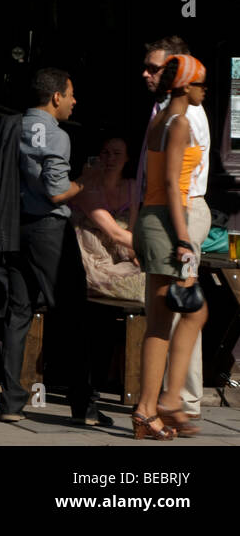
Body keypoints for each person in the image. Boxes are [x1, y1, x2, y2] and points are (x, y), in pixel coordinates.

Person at [0, 68, 108, 426]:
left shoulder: (12, 126)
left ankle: (12, 400)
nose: (75, 101)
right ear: (56, 97)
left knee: (18, 312)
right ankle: (84, 406)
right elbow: (57, 192)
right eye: (71, 94)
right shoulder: (58, 136)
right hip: (48, 230)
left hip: (14, 227)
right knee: (73, 312)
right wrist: (86, 180)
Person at [130, 54, 209, 440]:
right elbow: (176, 191)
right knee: (185, 314)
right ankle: (163, 402)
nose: (204, 90)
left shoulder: (159, 120)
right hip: (166, 222)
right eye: (200, 83)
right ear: (184, 87)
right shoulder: (178, 124)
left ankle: (154, 407)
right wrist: (183, 240)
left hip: (153, 218)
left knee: (164, 321)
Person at [70, 136, 144, 303]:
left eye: (117, 154)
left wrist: (137, 256)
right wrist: (154, 249)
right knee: (144, 285)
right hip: (92, 260)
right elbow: (116, 234)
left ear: (127, 158)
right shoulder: (88, 189)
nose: (110, 159)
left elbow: (131, 232)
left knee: (155, 280)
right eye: (105, 153)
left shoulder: (132, 187)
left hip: (119, 258)